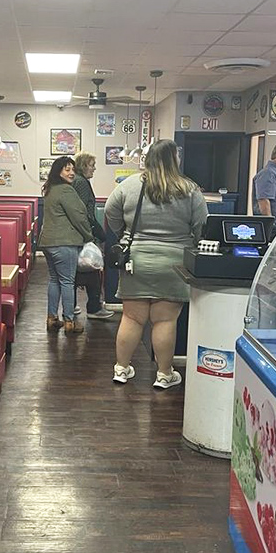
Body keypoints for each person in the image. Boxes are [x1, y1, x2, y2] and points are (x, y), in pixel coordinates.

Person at [105, 139, 207, 389]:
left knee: (131, 318)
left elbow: (110, 210)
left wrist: (124, 234)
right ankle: (164, 374)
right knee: (164, 321)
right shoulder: (189, 189)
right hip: (174, 263)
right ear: (174, 159)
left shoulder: (129, 185)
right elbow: (202, 224)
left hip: (136, 260)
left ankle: (121, 369)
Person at [37, 156, 93, 334]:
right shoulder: (66, 191)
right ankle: (69, 321)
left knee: (55, 280)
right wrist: (88, 236)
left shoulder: (50, 189)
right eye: (67, 169)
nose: (71, 173)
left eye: (72, 169)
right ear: (58, 171)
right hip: (64, 243)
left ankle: (52, 318)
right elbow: (79, 216)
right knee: (68, 281)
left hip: (48, 242)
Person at [72, 152, 113, 320]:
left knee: (79, 271)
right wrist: (98, 233)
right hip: (83, 234)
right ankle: (93, 308)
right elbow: (83, 211)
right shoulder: (81, 182)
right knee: (92, 269)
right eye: (92, 164)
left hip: (79, 233)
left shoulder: (78, 181)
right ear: (83, 166)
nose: (94, 168)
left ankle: (74, 306)